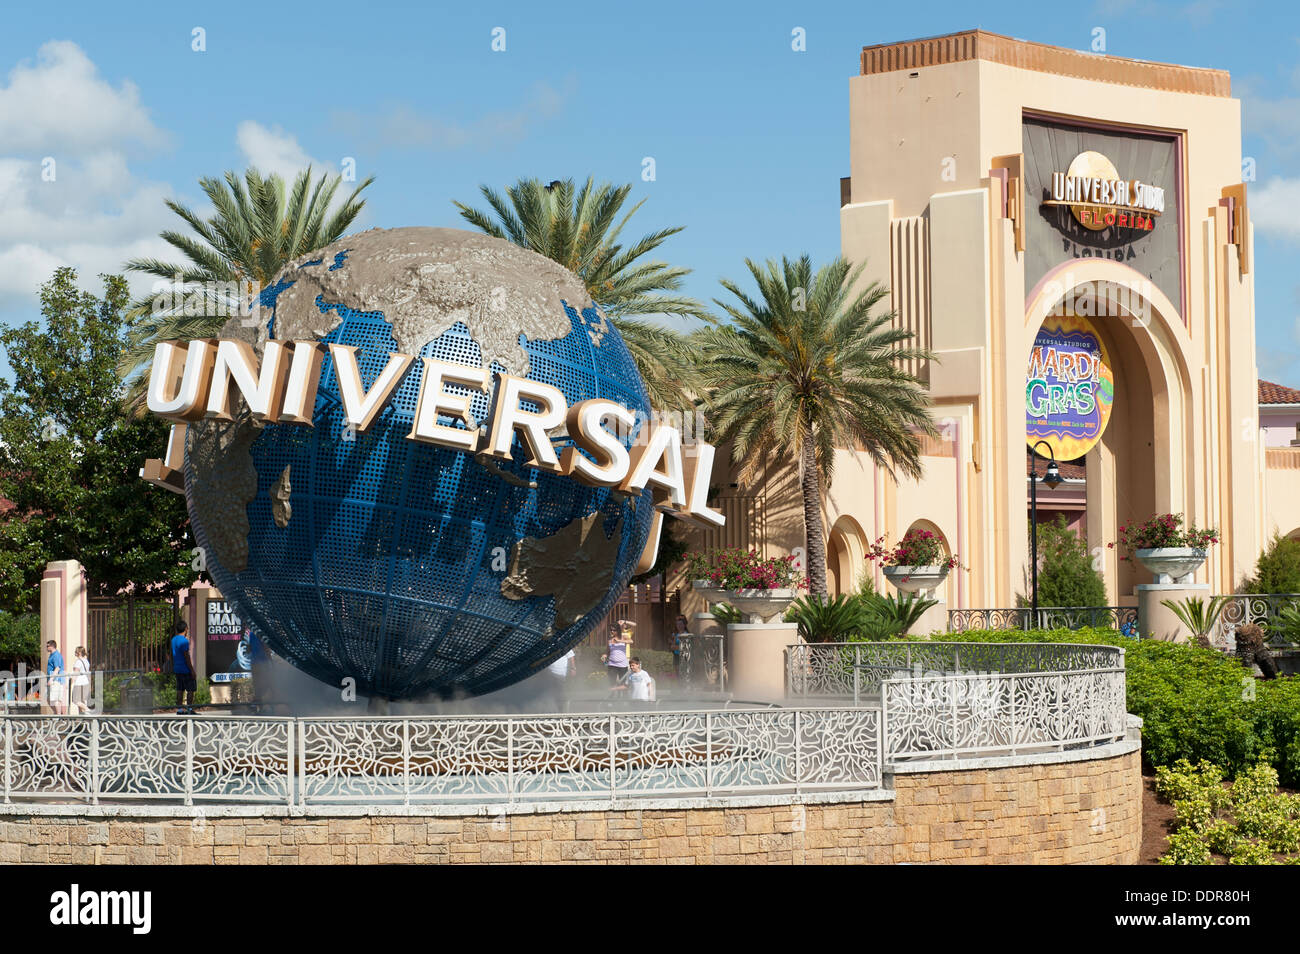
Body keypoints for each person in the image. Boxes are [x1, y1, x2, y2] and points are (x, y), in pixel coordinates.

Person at [170, 620, 198, 715]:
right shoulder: (184, 641)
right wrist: (192, 670)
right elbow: (186, 657)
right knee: (190, 689)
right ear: (186, 629)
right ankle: (189, 709)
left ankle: (180, 710)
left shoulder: (173, 640)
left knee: (180, 689)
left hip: (177, 668)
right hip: (185, 669)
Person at [45, 640, 66, 715]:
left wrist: (51, 679)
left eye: (47, 646)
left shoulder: (56, 655)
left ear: (52, 646)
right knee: (49, 699)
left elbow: (57, 668)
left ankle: (58, 715)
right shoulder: (52, 654)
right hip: (53, 679)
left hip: (56, 680)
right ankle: (57, 713)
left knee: (55, 699)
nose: (46, 647)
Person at [71, 646, 91, 715]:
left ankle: (87, 710)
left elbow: (76, 673)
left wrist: (72, 683)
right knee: (82, 700)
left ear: (79, 652)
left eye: (76, 651)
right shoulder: (86, 661)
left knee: (76, 700)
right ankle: (83, 717)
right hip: (86, 682)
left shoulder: (78, 662)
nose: (74, 653)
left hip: (79, 682)